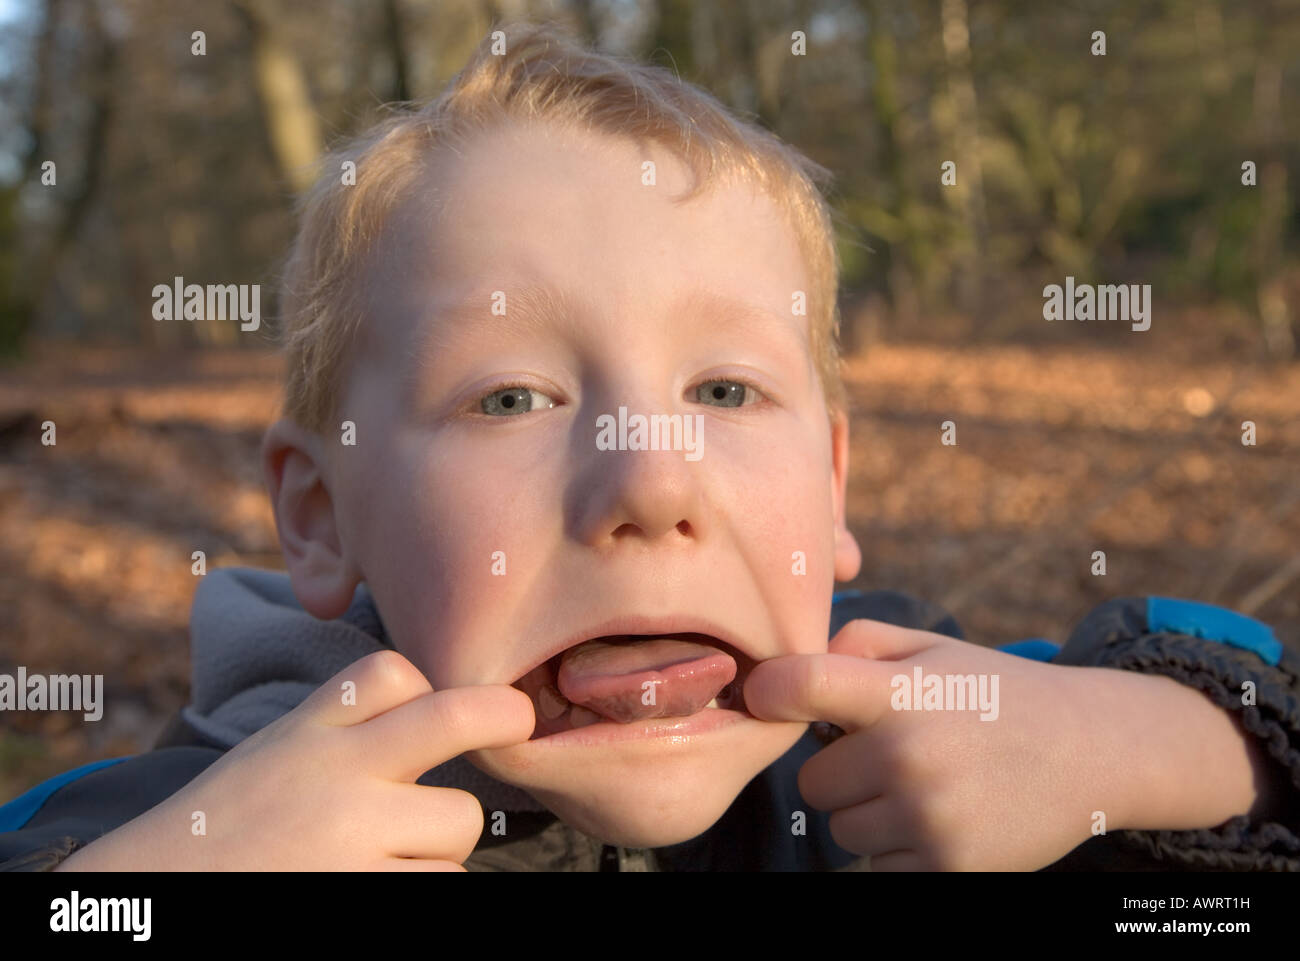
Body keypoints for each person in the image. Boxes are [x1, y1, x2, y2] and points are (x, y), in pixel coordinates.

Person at [4, 20, 1297, 872]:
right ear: (324, 514)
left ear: (833, 479)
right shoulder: (177, 822)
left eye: (726, 390)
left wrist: (1124, 747)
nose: (651, 480)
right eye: (511, 398)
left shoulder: (912, 723)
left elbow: (1264, 723)